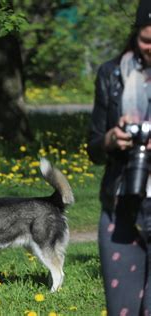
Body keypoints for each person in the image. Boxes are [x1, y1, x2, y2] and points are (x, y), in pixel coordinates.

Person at [88, 0, 151, 314]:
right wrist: (112, 138)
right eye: (147, 40)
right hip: (120, 205)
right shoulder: (112, 74)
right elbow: (93, 148)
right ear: (136, 33)